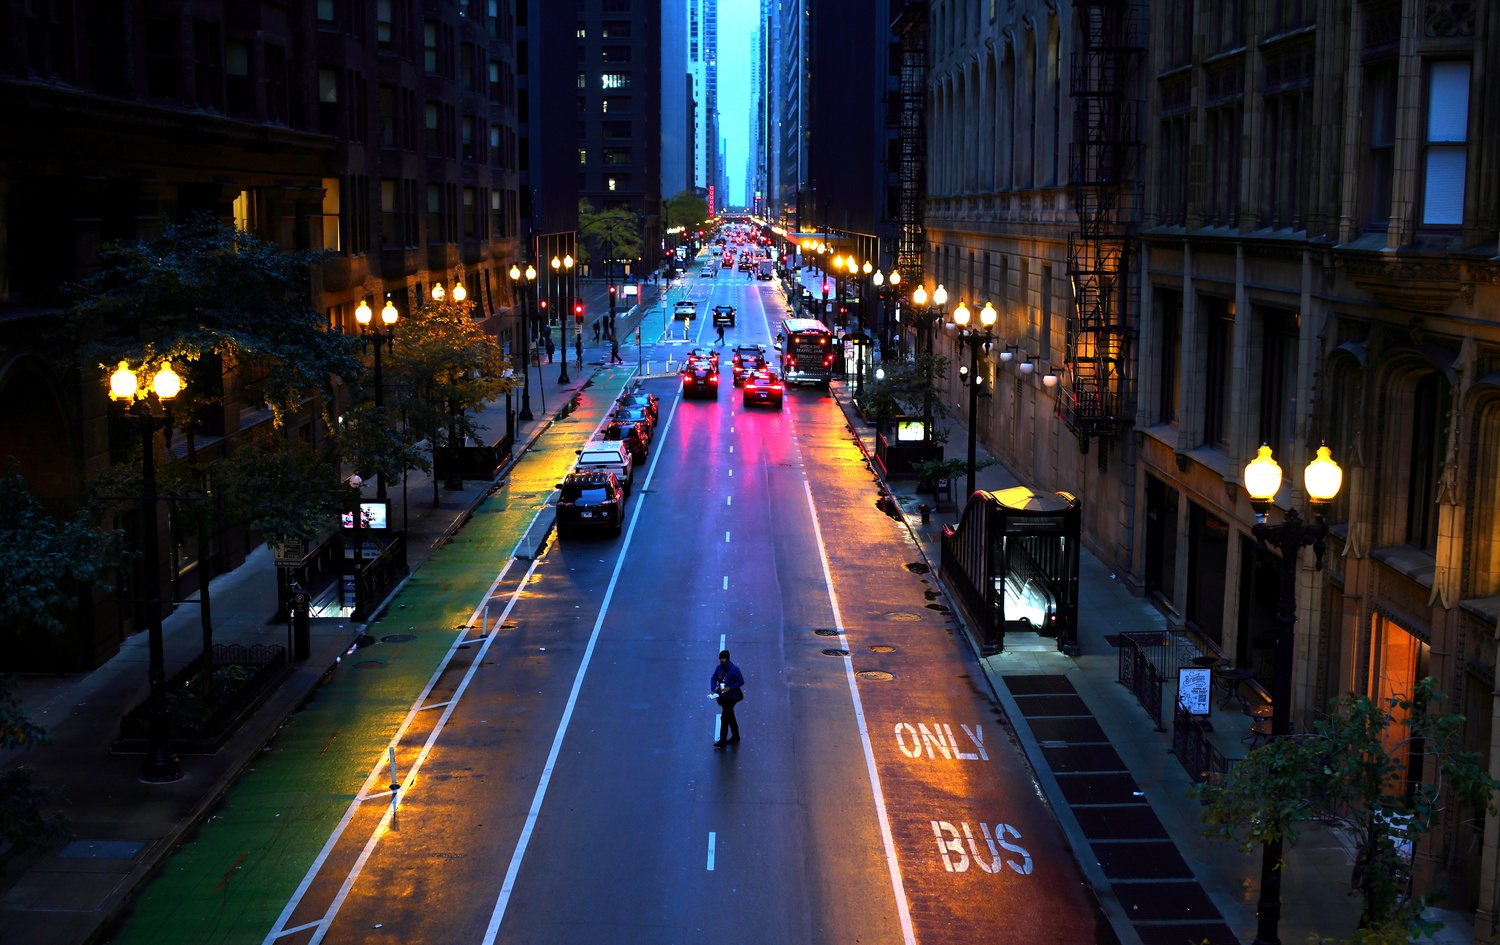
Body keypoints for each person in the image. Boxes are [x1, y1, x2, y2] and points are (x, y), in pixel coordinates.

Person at [710, 650, 744, 747]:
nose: (722, 660)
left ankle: (722, 740)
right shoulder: (718, 669)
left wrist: (730, 688)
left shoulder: (734, 669)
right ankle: (736, 735)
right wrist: (713, 690)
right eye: (721, 658)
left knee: (724, 717)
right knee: (730, 716)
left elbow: (741, 681)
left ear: (727, 659)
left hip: (732, 697)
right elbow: (714, 678)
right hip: (724, 697)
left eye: (724, 658)